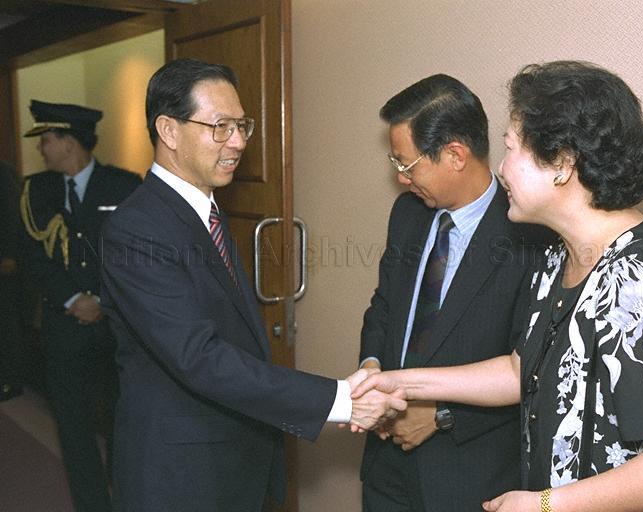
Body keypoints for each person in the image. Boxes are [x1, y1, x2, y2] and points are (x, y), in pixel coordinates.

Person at [353, 61, 643, 512]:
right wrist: (399, 381)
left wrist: (544, 505)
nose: (500, 169)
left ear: (561, 163)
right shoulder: (560, 257)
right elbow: (518, 372)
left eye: (511, 149)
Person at [98, 58, 405, 512]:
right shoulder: (137, 230)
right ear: (168, 130)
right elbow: (199, 357)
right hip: (179, 478)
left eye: (242, 125)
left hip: (230, 462)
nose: (238, 142)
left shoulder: (205, 212)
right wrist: (342, 400)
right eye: (220, 126)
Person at [358, 74, 553, 511]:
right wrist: (372, 370)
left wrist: (443, 416)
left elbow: (534, 370)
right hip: (386, 467)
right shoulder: (407, 214)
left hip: (470, 476)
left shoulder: (531, 236)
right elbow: (385, 308)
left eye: (407, 165)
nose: (402, 179)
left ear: (454, 155)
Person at [19, 100, 142, 512]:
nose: (42, 149)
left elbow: (139, 256)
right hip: (63, 328)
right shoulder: (35, 191)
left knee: (123, 426)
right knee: (73, 430)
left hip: (116, 331)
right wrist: (73, 298)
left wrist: (103, 302)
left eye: (47, 140)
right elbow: (31, 256)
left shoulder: (124, 186)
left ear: (69, 142)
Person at [0, 159, 24, 402]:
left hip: (4, 263)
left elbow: (11, 214)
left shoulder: (2, 171)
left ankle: (11, 379)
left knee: (6, 322)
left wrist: (9, 254)